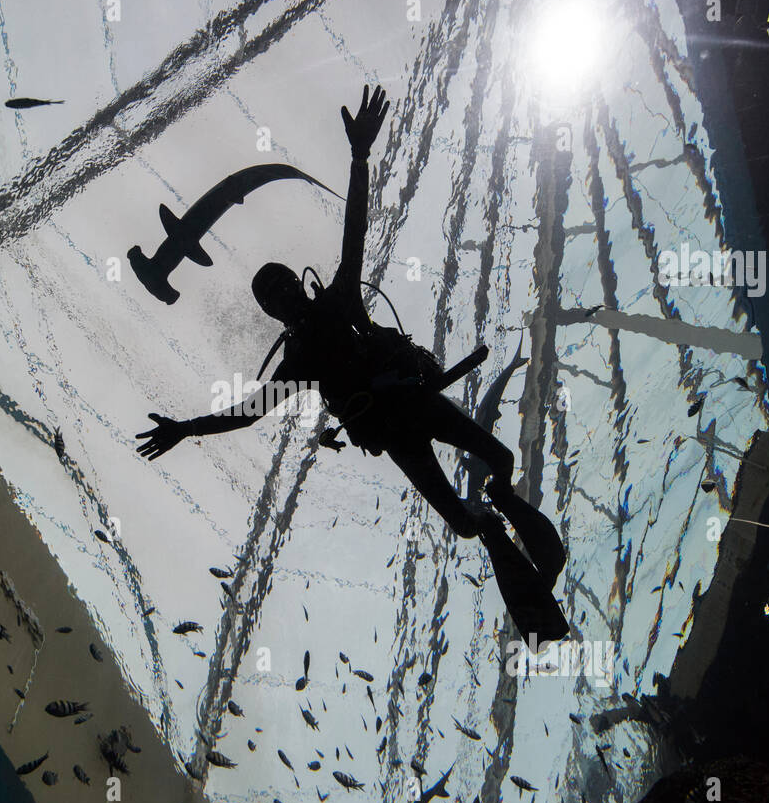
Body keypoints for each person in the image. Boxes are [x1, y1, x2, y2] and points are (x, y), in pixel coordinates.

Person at [137, 85, 569, 642]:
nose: (285, 296)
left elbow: (355, 231)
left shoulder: (335, 308)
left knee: (502, 462)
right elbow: (246, 414)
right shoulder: (299, 361)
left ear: (295, 284)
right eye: (274, 296)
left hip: (413, 401)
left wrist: (360, 156)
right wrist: (187, 427)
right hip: (398, 429)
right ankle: (491, 523)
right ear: (273, 310)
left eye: (283, 286)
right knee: (466, 523)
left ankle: (500, 506)